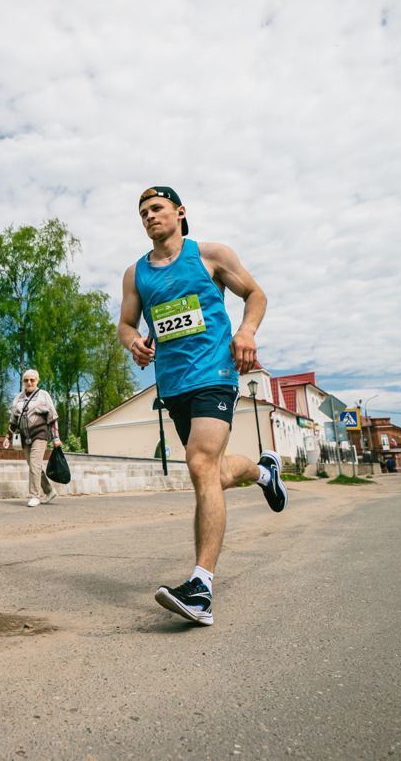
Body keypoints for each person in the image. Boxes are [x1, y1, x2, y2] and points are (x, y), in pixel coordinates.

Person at [118, 186, 284, 627]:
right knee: (214, 470)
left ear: (179, 212)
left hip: (214, 373)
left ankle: (201, 587)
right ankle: (265, 472)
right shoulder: (136, 274)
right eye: (143, 213)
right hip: (172, 384)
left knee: (200, 462)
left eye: (157, 208)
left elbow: (256, 294)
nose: (150, 216)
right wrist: (133, 342)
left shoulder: (211, 255)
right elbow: (125, 323)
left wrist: (246, 333)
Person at [2, 369, 63, 506]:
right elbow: (13, 421)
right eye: (26, 380)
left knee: (34, 464)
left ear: (37, 380)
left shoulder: (43, 395)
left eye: (32, 380)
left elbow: (52, 418)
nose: (29, 382)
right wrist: (7, 437)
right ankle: (49, 491)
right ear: (23, 382)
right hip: (24, 437)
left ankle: (35, 495)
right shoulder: (18, 398)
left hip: (40, 434)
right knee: (33, 466)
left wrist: (56, 438)